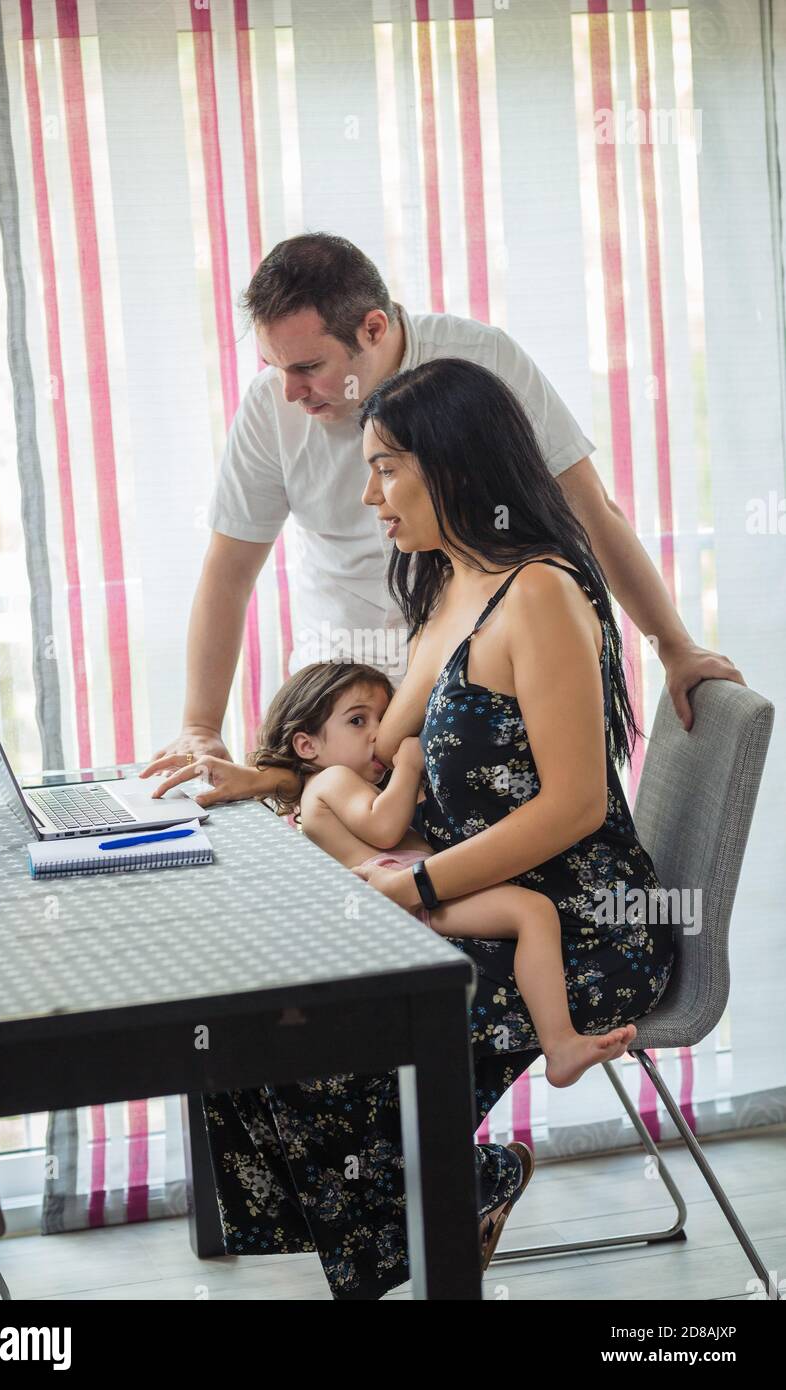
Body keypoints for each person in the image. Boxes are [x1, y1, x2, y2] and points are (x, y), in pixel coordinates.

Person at [193, 357, 676, 1300]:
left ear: (452, 464)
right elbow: (391, 744)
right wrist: (268, 777)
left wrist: (417, 887)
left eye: (386, 467)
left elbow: (575, 805)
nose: (369, 493)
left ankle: (429, 1222)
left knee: (328, 1046)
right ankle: (443, 1205)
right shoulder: (445, 584)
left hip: (584, 920)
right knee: (251, 1014)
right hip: (476, 898)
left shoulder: (538, 592)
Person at [140, 231, 744, 808]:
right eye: (275, 366)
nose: (290, 390)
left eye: (308, 366)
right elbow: (228, 572)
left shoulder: (481, 365)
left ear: (374, 327)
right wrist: (200, 726)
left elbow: (592, 511)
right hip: (351, 706)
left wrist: (674, 645)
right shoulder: (273, 407)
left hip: (482, 699)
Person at [250, 658, 639, 1090]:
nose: (379, 733)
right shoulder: (333, 779)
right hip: (399, 891)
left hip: (400, 890)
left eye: (383, 716)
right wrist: (412, 765)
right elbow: (383, 827)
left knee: (527, 912)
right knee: (533, 911)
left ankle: (557, 1045)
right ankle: (560, 1042)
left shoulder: (321, 787)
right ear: (307, 746)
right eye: (358, 721)